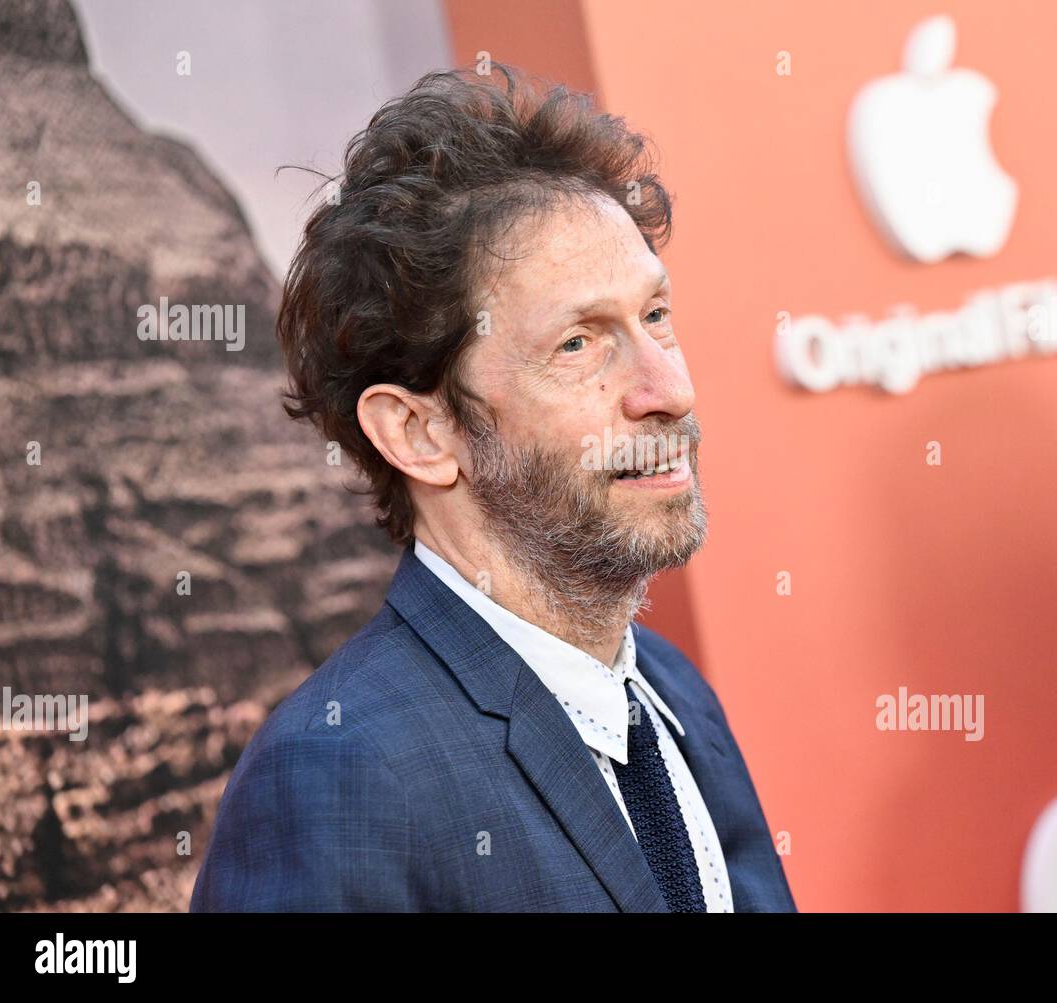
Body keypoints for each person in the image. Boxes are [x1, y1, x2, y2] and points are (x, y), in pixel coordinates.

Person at [189, 62, 796, 913]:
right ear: (421, 432)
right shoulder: (335, 775)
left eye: (655, 316)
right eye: (578, 345)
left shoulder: (668, 689)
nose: (668, 389)